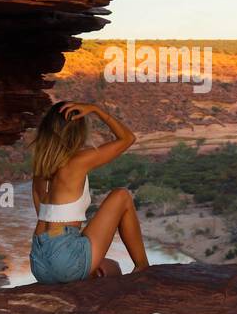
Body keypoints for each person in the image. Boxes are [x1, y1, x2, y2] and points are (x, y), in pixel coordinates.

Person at [28, 101, 150, 284]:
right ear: (77, 131)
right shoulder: (78, 160)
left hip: (39, 262)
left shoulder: (42, 165)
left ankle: (74, 269)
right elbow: (127, 138)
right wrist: (96, 110)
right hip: (63, 254)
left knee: (111, 268)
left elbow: (41, 208)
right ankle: (143, 267)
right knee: (121, 195)